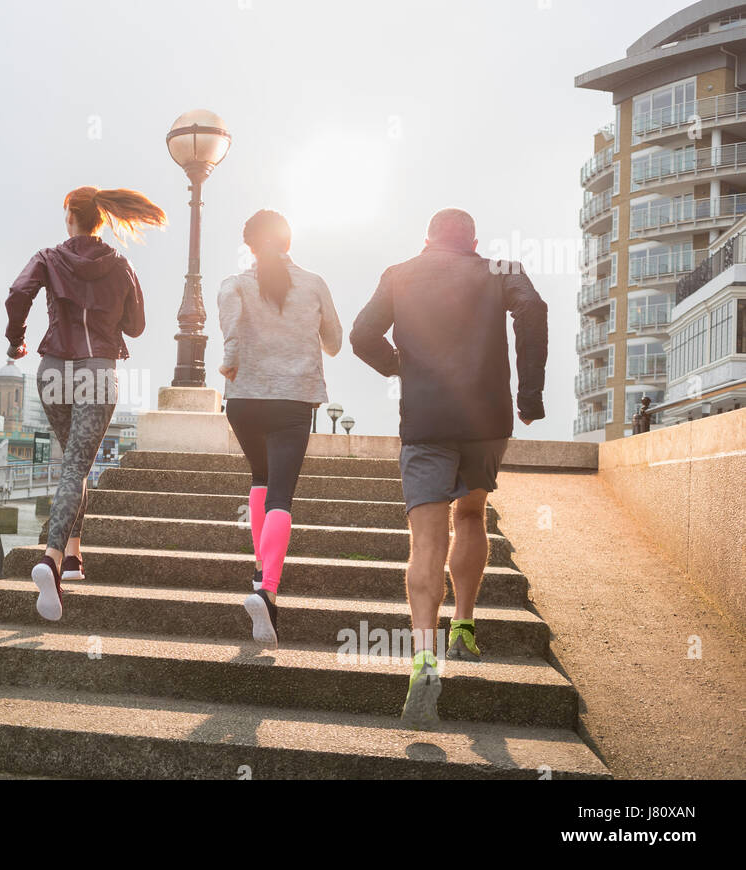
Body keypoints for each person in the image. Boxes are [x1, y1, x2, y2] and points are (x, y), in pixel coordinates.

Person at [349, 208, 548, 730]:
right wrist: (530, 395)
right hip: (486, 418)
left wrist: (402, 367)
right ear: (474, 242)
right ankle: (463, 626)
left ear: (428, 240)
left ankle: (423, 660)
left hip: (427, 418)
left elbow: (361, 335)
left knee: (426, 541)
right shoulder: (501, 269)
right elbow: (534, 309)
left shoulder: (400, 273)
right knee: (472, 517)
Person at [5, 186, 165, 621]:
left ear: (70, 217)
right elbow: (137, 326)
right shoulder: (121, 265)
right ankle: (51, 560)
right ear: (102, 220)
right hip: (97, 372)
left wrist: (16, 340)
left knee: (71, 467)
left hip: (53, 370)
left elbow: (18, 294)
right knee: (77, 467)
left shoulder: (48, 257)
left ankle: (72, 557)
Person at [218, 209, 342, 648]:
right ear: (288, 241)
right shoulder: (313, 284)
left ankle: (259, 567)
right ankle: (266, 590)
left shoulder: (233, 285)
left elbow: (230, 336)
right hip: (292, 401)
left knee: (260, 478)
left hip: (244, 401)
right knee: (281, 494)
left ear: (249, 245)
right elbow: (335, 342)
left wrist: (236, 359)